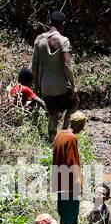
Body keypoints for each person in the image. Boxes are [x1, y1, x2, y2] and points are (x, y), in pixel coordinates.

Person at [31, 11, 76, 140]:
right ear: (63, 24)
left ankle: (52, 140)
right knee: (74, 102)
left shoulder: (39, 40)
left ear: (50, 23)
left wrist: (36, 87)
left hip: (45, 86)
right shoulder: (63, 40)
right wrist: (73, 85)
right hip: (60, 86)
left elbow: (34, 66)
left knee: (52, 114)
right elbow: (66, 65)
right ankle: (64, 132)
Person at [51, 111, 84, 224]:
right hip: (69, 181)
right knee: (70, 209)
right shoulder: (72, 138)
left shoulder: (59, 134)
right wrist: (77, 182)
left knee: (63, 207)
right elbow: (72, 161)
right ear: (80, 125)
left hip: (59, 178)